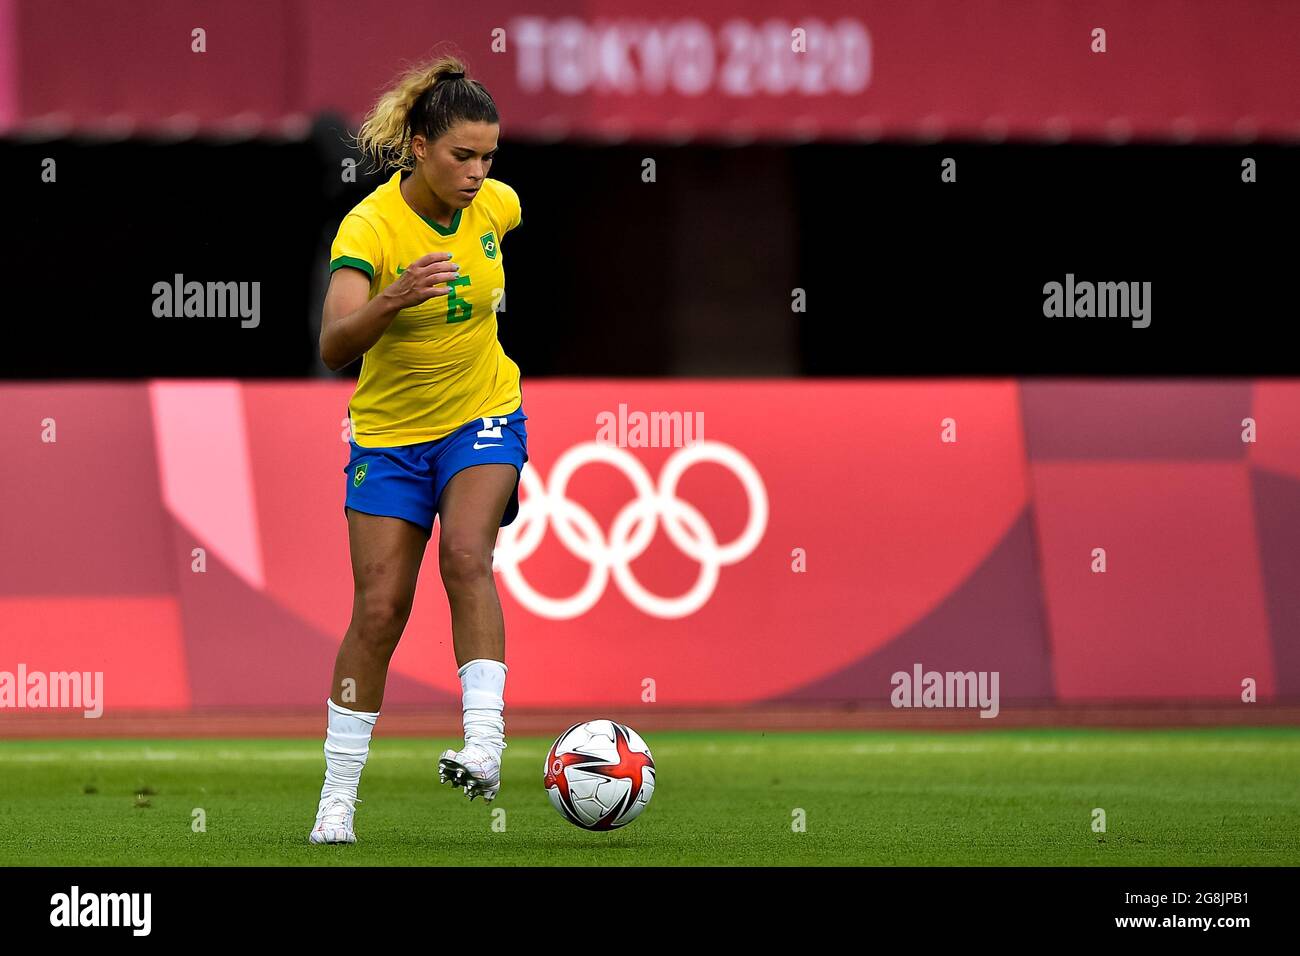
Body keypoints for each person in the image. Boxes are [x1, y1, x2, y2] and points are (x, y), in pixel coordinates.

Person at [309, 53, 526, 844]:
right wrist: (395, 298)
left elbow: (499, 232)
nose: (477, 174)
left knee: (467, 556)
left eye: (488, 156)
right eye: (462, 156)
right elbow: (334, 344)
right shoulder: (369, 228)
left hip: (484, 414)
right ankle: (337, 802)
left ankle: (485, 745)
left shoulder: (497, 206)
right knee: (379, 611)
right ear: (419, 146)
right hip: (391, 440)